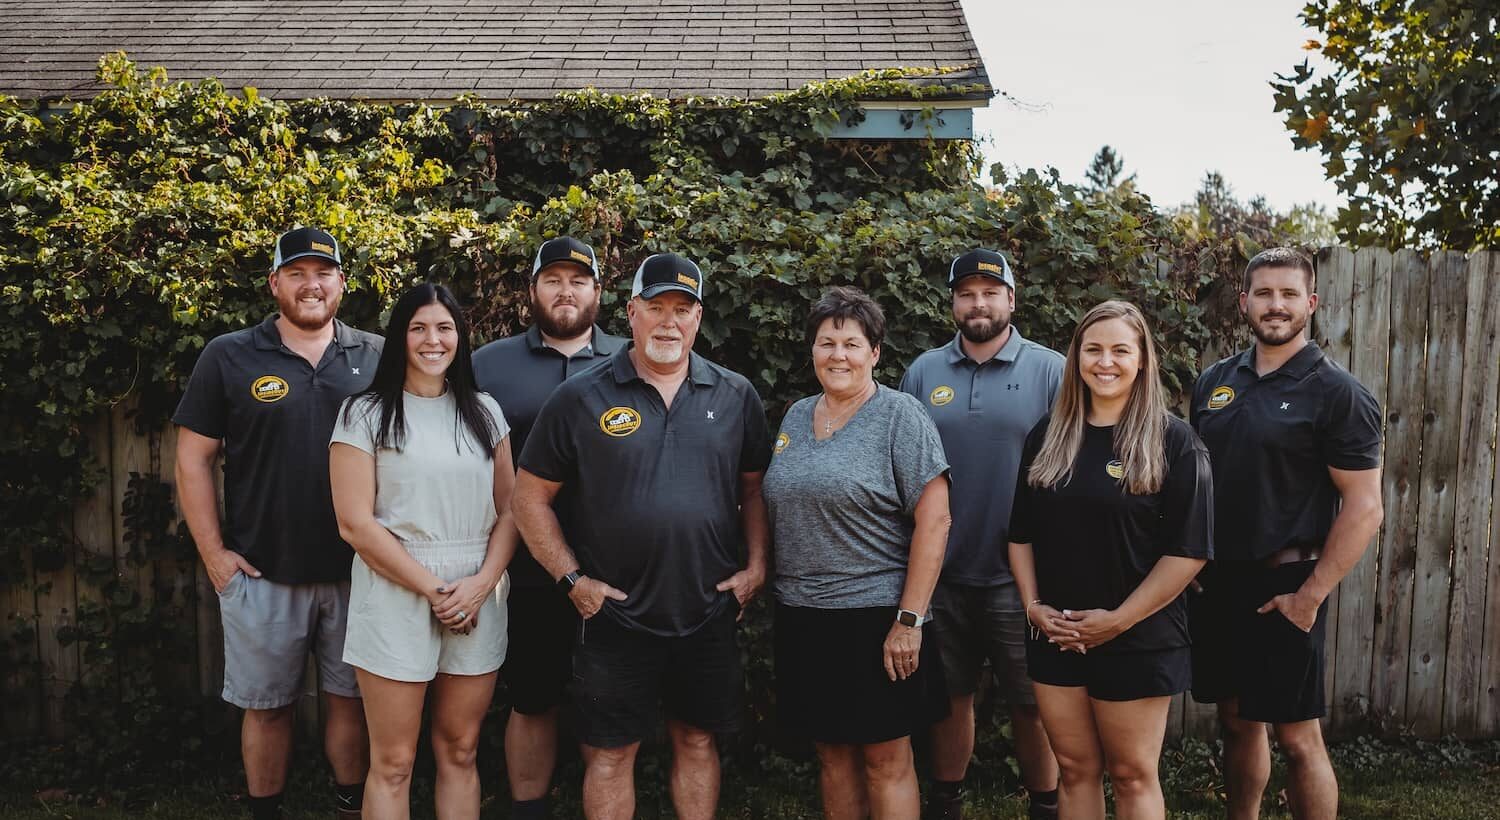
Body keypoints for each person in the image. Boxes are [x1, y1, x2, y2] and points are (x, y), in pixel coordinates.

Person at [511, 252, 771, 820]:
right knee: (610, 755)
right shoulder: (581, 396)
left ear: (698, 318)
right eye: (656, 308)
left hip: (706, 609)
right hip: (614, 614)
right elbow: (528, 498)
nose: (669, 322)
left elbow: (753, 490)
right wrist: (572, 580)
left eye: (683, 309)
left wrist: (756, 567)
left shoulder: (735, 394)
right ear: (631, 312)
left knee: (697, 740)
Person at [174, 227, 378, 820]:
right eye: (297, 273)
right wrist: (215, 556)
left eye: (323, 273)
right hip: (262, 572)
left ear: (342, 282)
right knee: (266, 709)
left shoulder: (377, 355)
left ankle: (350, 809)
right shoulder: (229, 355)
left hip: (362, 574)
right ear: (274, 283)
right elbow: (192, 459)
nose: (311, 285)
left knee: (351, 704)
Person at [1188, 248, 1383, 820]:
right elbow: (1196, 481)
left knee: (1298, 736)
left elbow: (1365, 507)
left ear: (1311, 303)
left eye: (1289, 294)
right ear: (1244, 302)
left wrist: (1309, 597)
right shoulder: (1214, 382)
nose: (1276, 305)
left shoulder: (1338, 392)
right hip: (1219, 582)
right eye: (1265, 294)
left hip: (1287, 584)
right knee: (1235, 722)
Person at [1008, 300, 1213, 820]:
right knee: (1074, 770)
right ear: (1076, 357)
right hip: (1057, 634)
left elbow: (1188, 553)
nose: (1105, 362)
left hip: (1138, 638)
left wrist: (1117, 621)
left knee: (1131, 774)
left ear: (1142, 360)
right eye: (1093, 349)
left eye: (1121, 350)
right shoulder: (1048, 436)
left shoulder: (1174, 442)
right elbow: (1020, 536)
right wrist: (1033, 608)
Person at [763, 285, 953, 820]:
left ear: (874, 353)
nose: (838, 355)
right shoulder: (796, 416)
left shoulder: (900, 416)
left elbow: (935, 520)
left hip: (877, 617)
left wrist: (909, 620)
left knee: (884, 758)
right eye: (827, 343)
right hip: (804, 615)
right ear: (812, 351)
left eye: (851, 344)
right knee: (831, 754)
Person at [329, 282, 517, 819]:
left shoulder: (485, 412)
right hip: (396, 590)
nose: (433, 340)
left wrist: (480, 585)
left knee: (460, 749)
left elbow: (512, 511)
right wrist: (435, 591)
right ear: (399, 337)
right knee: (393, 762)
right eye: (418, 328)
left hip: (476, 591)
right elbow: (355, 524)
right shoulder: (364, 413)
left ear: (460, 336)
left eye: (444, 328)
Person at [900, 250, 1063, 820]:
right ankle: (946, 803)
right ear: (952, 303)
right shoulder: (923, 373)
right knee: (950, 698)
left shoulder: (1051, 371)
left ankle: (1045, 805)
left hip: (1022, 577)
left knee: (1032, 703)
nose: (979, 303)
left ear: (1011, 300)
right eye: (966, 293)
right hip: (940, 574)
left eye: (991, 292)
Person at [472, 236, 625, 819]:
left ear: (598, 292)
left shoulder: (633, 358)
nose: (566, 291)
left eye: (579, 281)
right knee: (532, 699)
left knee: (607, 706)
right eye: (554, 280)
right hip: (526, 569)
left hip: (617, 570)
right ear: (532, 290)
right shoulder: (488, 365)